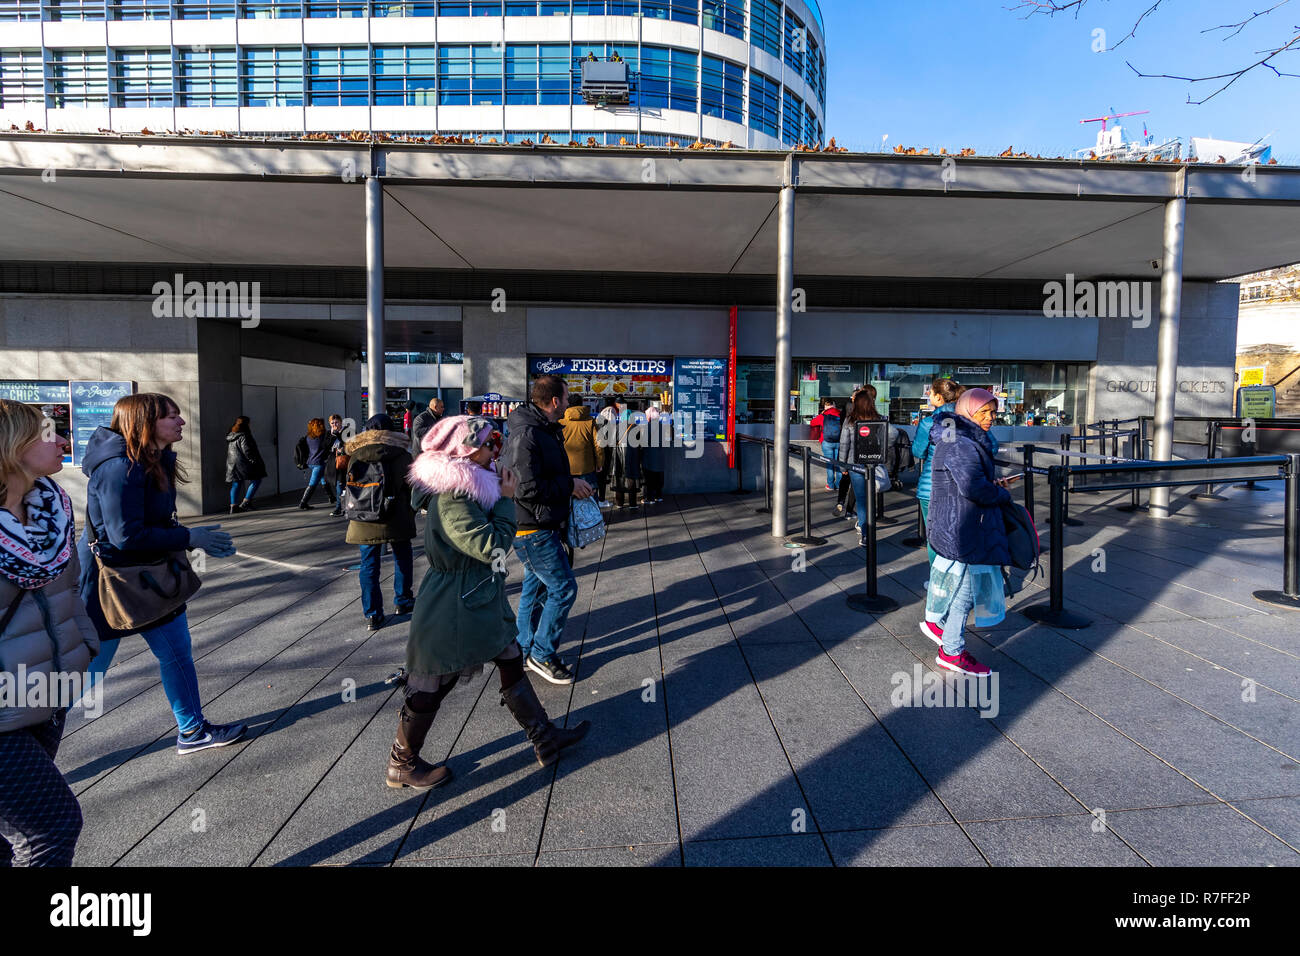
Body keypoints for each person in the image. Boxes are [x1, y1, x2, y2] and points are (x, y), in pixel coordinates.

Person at [387, 416, 591, 789]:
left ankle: (545, 739)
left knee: (510, 656)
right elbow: (491, 546)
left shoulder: (472, 485)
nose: (496, 449)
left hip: (477, 596)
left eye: (496, 440)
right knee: (432, 680)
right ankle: (402, 762)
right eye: (488, 443)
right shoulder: (453, 495)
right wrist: (507, 501)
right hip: (452, 604)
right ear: (465, 450)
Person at [79, 393, 246, 754]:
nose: (181, 422)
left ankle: (192, 731)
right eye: (173, 416)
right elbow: (124, 536)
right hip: (112, 586)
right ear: (145, 422)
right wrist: (190, 537)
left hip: (148, 578)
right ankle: (23, 749)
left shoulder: (149, 460)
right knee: (88, 671)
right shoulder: (117, 466)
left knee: (177, 655)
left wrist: (189, 538)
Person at [0, 400, 99, 866]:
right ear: (10, 446)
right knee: (52, 828)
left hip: (45, 694)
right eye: (46, 434)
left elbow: (71, 592)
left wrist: (84, 647)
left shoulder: (53, 509)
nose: (62, 441)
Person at [501, 375, 595, 686]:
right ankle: (542, 653)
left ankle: (525, 649)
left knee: (535, 588)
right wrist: (570, 485)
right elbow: (525, 488)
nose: (568, 404)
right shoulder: (528, 434)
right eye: (566, 398)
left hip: (539, 525)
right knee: (563, 588)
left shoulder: (538, 431)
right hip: (533, 529)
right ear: (554, 401)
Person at [922, 388, 1013, 678]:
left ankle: (945, 636)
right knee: (966, 590)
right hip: (964, 524)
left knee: (959, 583)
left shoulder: (956, 436)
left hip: (956, 521)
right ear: (967, 412)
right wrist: (1001, 495)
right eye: (983, 412)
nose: (989, 418)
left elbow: (966, 480)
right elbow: (972, 487)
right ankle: (951, 649)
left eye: (993, 412)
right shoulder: (962, 441)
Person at [344, 414, 416, 631]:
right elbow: (412, 485)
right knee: (402, 557)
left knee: (369, 565)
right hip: (396, 515)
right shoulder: (401, 454)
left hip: (364, 517)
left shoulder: (355, 454)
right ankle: (402, 601)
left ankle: (373, 614)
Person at [911, 378, 965, 564]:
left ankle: (939, 582)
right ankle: (959, 578)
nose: (928, 395)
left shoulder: (929, 422)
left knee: (935, 537)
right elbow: (990, 446)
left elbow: (918, 451)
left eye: (931, 392)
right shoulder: (968, 418)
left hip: (932, 487)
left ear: (939, 397)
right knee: (959, 534)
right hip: (962, 486)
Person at [837, 387, 891, 547]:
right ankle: (868, 528)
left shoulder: (850, 420)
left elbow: (844, 444)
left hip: (855, 464)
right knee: (870, 499)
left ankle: (865, 533)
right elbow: (891, 435)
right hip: (873, 463)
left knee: (861, 500)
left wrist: (842, 465)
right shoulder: (880, 419)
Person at [225, 416, 267, 515]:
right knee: (257, 480)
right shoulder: (244, 435)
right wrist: (254, 460)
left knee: (236, 483)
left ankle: (233, 507)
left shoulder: (231, 435)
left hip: (232, 463)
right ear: (246, 424)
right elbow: (247, 450)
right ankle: (246, 502)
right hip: (243, 463)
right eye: (249, 423)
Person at [561, 394, 603, 494]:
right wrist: (599, 463)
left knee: (567, 500)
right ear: (582, 404)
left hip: (566, 468)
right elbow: (598, 444)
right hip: (587, 468)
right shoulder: (590, 422)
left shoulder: (560, 422)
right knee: (589, 498)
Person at [296, 418, 337, 511]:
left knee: (323, 479)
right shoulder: (323, 436)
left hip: (311, 462)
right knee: (312, 484)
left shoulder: (308, 437)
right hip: (319, 463)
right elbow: (332, 441)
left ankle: (331, 497)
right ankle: (303, 503)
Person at [614, 401, 645, 510]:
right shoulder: (635, 427)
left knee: (619, 479)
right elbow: (640, 443)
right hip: (632, 456)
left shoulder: (617, 427)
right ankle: (632, 503)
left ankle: (620, 503)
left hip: (619, 456)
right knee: (631, 478)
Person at [810, 398, 842, 491]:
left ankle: (830, 485)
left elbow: (812, 423)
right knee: (838, 464)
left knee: (830, 464)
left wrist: (821, 414)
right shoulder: (841, 414)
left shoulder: (823, 415)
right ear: (834, 405)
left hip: (827, 442)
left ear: (825, 406)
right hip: (839, 441)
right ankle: (838, 484)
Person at [594, 397, 619, 509]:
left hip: (596, 454)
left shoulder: (597, 421)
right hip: (604, 453)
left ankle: (597, 499)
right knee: (602, 478)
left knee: (598, 478)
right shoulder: (611, 418)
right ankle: (601, 499)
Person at [642, 405, 668, 504]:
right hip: (660, 457)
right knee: (659, 478)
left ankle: (649, 498)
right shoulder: (663, 426)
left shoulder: (647, 426)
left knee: (649, 479)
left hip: (649, 457)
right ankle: (659, 496)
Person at [328, 414, 348, 517]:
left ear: (341, 422)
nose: (334, 425)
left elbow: (350, 444)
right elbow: (325, 446)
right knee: (338, 485)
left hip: (345, 463)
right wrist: (332, 436)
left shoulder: (348, 431)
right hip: (334, 464)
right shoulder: (330, 433)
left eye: (336, 422)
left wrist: (338, 435)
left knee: (341, 485)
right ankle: (343, 507)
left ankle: (339, 508)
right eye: (332, 423)